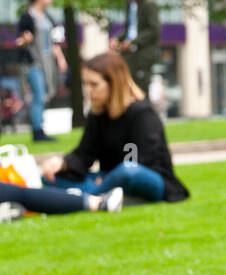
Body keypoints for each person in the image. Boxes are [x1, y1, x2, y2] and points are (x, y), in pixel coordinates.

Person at [38, 51, 189, 204]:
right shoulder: (97, 114)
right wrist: (61, 164)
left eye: (94, 85)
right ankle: (104, 198)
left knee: (127, 170)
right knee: (50, 177)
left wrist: (106, 178)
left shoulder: (141, 113)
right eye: (86, 84)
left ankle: (88, 199)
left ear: (114, 83)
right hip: (108, 178)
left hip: (146, 178)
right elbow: (84, 155)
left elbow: (140, 162)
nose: (88, 91)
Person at [16, 0, 68, 141]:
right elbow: (21, 40)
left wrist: (60, 59)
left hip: (47, 63)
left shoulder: (47, 18)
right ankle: (38, 132)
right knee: (38, 95)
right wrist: (24, 40)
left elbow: (54, 41)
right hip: (33, 62)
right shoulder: (27, 16)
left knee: (44, 94)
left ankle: (40, 129)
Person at [112, 0, 160, 93]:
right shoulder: (130, 2)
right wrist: (117, 38)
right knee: (126, 87)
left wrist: (133, 42)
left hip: (142, 56)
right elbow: (130, 28)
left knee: (140, 91)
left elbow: (154, 29)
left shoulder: (149, 2)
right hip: (129, 54)